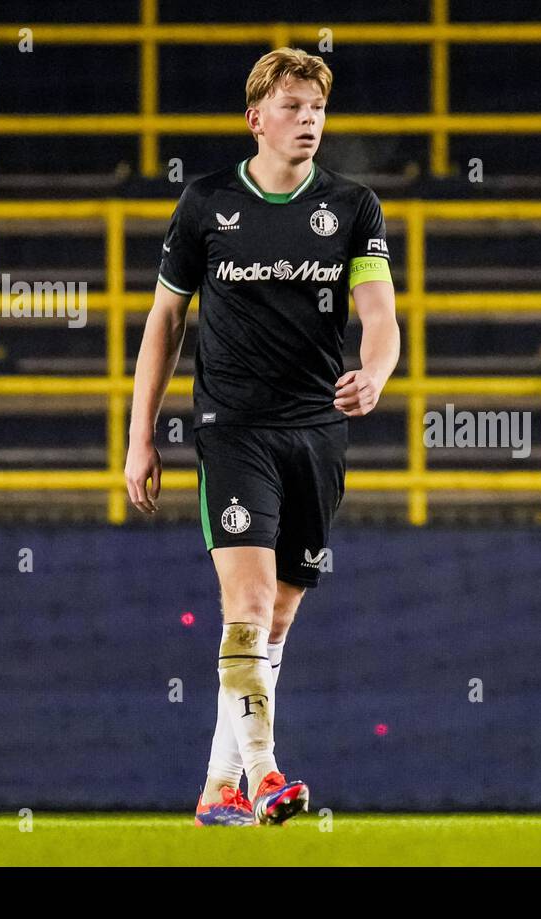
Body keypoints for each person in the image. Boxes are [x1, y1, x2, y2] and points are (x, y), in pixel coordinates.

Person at [124, 47, 400, 826]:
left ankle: (219, 789)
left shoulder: (352, 208)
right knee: (244, 604)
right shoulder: (207, 203)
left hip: (317, 434)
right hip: (233, 429)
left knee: (274, 622)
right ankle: (267, 775)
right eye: (291, 107)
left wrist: (374, 374)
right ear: (256, 119)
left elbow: (380, 319)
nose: (308, 121)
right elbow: (165, 322)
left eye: (316, 109)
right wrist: (139, 436)